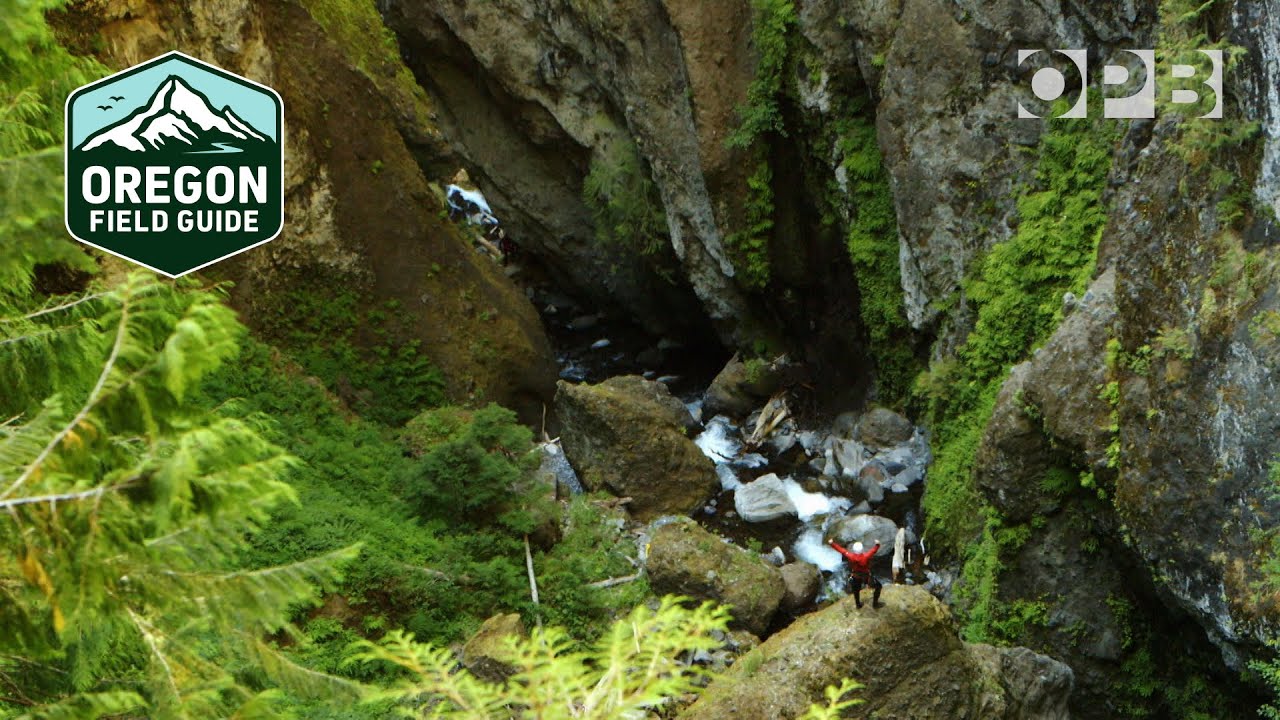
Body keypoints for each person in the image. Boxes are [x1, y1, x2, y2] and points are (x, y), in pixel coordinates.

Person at [829, 538, 883, 609]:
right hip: (866, 576)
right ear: (862, 550)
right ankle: (875, 604)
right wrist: (877, 544)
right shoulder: (866, 556)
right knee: (878, 586)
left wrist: (832, 543)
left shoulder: (851, 556)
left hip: (856, 576)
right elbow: (873, 550)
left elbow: (841, 550)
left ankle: (858, 604)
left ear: (854, 550)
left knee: (856, 590)